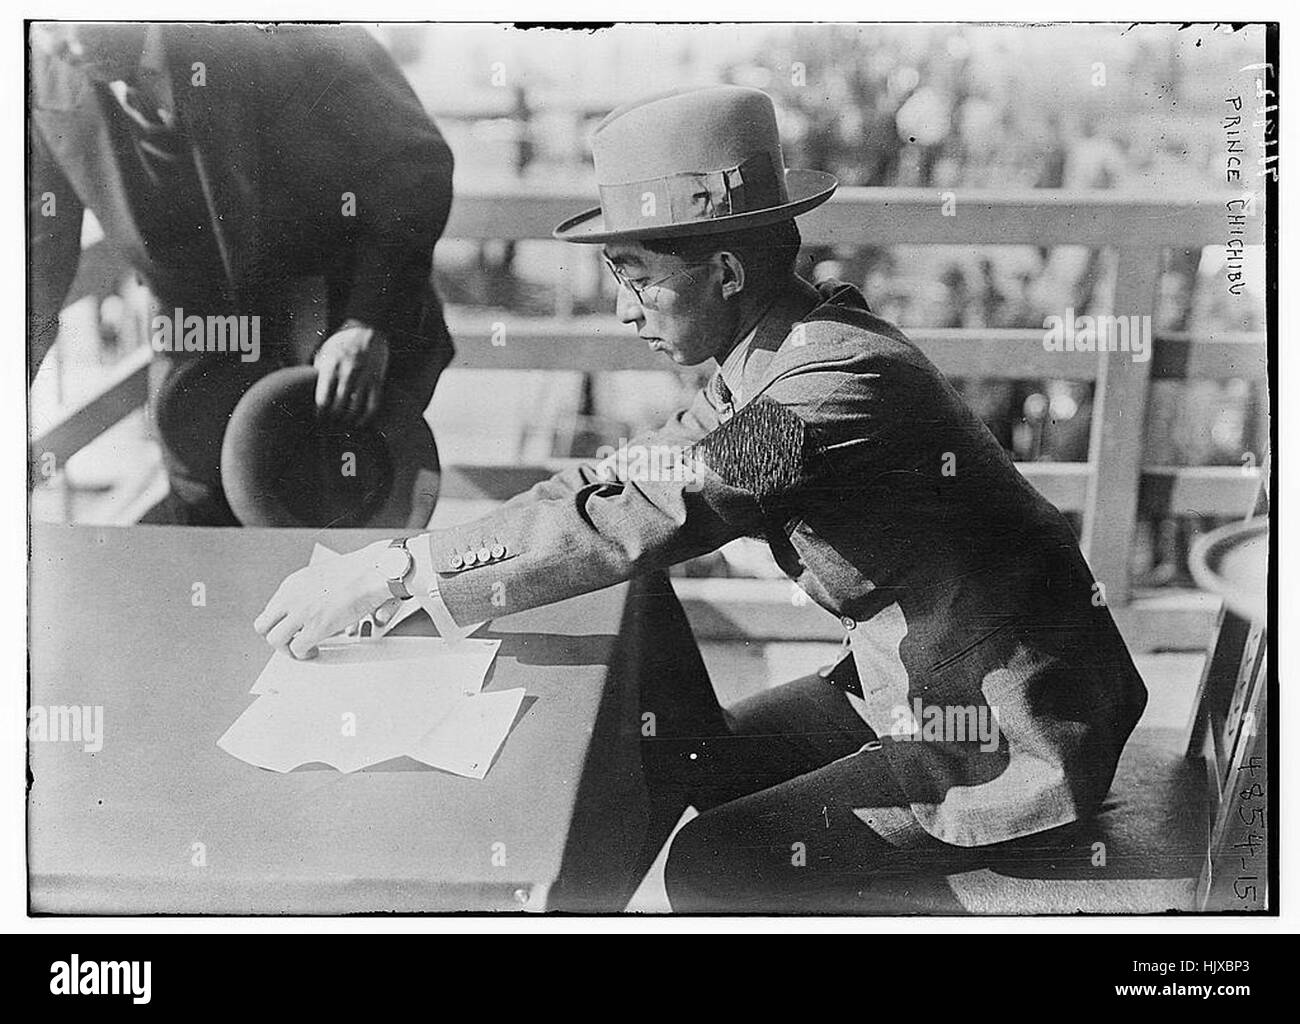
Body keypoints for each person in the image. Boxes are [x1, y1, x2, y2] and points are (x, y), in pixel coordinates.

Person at [253, 85, 1149, 912]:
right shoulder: (779, 347)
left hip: (1013, 731)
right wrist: (408, 569)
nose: (625, 310)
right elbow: (626, 478)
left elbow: (654, 512)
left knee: (715, 864)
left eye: (639, 275)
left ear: (724, 271)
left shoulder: (825, 391)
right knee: (694, 760)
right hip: (914, 685)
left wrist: (406, 567)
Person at [29, 23, 455, 524]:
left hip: (339, 345)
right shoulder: (42, 72)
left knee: (344, 539)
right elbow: (40, 251)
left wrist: (368, 322)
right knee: (206, 535)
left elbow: (414, 169)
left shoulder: (286, 29)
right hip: (198, 355)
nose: (60, 41)